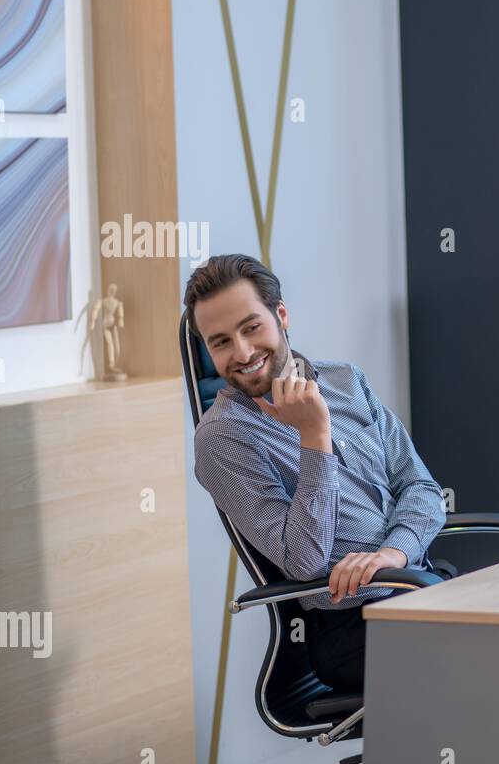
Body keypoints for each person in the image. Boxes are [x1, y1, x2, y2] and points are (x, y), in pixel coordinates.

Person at [186, 254, 446, 692]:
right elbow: (304, 562)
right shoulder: (222, 438)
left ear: (281, 315)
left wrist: (393, 554)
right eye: (221, 342)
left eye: (252, 328)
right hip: (353, 627)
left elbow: (421, 487)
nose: (243, 353)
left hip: (422, 583)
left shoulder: (345, 379)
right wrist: (314, 435)